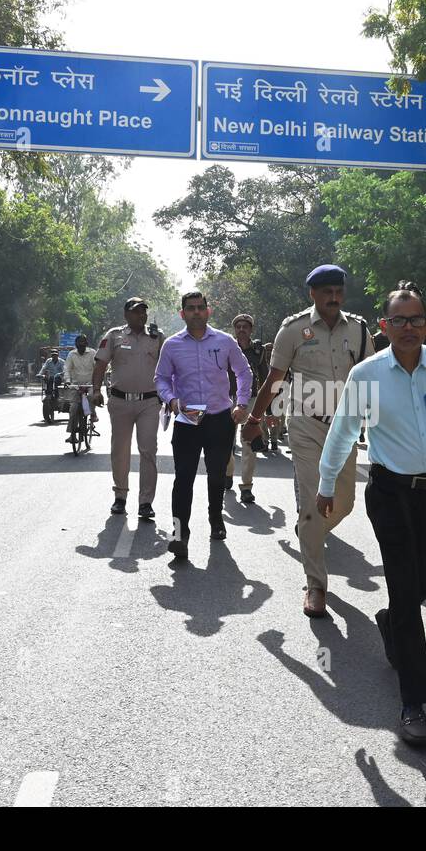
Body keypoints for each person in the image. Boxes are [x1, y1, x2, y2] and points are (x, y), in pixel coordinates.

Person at [316, 286, 426, 746]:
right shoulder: (368, 376)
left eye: (416, 320)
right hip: (389, 493)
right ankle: (413, 703)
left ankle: (391, 621)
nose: (409, 328)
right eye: (399, 321)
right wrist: (325, 484)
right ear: (384, 327)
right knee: (401, 583)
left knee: (422, 583)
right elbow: (343, 431)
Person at [241, 264, 374, 618]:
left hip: (344, 428)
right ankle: (316, 584)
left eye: (338, 291)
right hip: (305, 425)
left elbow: (374, 379)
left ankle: (308, 531)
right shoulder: (294, 329)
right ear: (312, 294)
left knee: (343, 504)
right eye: (326, 291)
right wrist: (255, 419)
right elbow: (275, 377)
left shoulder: (360, 331)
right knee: (317, 500)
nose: (333, 297)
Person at [155, 291, 253, 563]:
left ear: (208, 311)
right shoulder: (172, 346)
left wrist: (241, 404)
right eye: (190, 308)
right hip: (187, 418)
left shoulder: (224, 341)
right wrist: (172, 400)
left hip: (219, 417)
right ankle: (178, 535)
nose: (196, 312)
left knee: (217, 475)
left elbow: (243, 372)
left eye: (200, 308)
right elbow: (161, 379)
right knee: (182, 479)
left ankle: (215, 519)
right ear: (182, 313)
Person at [94, 298, 163, 519]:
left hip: (149, 402)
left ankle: (145, 502)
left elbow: (169, 366)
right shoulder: (114, 335)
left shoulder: (157, 336)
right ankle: (120, 497)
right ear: (126, 315)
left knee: (148, 450)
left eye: (143, 312)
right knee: (120, 450)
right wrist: (95, 390)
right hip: (120, 402)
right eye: (135, 312)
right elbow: (100, 364)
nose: (141, 315)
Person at [225, 313, 270, 504]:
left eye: (245, 326)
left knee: (249, 445)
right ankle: (227, 473)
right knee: (225, 442)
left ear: (251, 330)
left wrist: (269, 409)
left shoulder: (258, 352)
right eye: (238, 326)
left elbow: (266, 378)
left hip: (251, 400)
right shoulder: (226, 347)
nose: (241, 329)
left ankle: (246, 486)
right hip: (226, 399)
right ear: (234, 329)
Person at [371, 281, 426, 351]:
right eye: (399, 320)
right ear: (384, 327)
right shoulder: (378, 342)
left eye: (415, 319)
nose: (408, 327)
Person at [63, 334, 98, 445]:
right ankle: (72, 434)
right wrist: (67, 381)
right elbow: (67, 369)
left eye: (83, 344)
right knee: (73, 409)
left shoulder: (92, 353)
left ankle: (92, 413)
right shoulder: (71, 354)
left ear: (86, 344)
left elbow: (98, 368)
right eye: (79, 345)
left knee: (92, 397)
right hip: (76, 385)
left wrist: (96, 382)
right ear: (76, 345)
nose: (81, 346)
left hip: (90, 384)